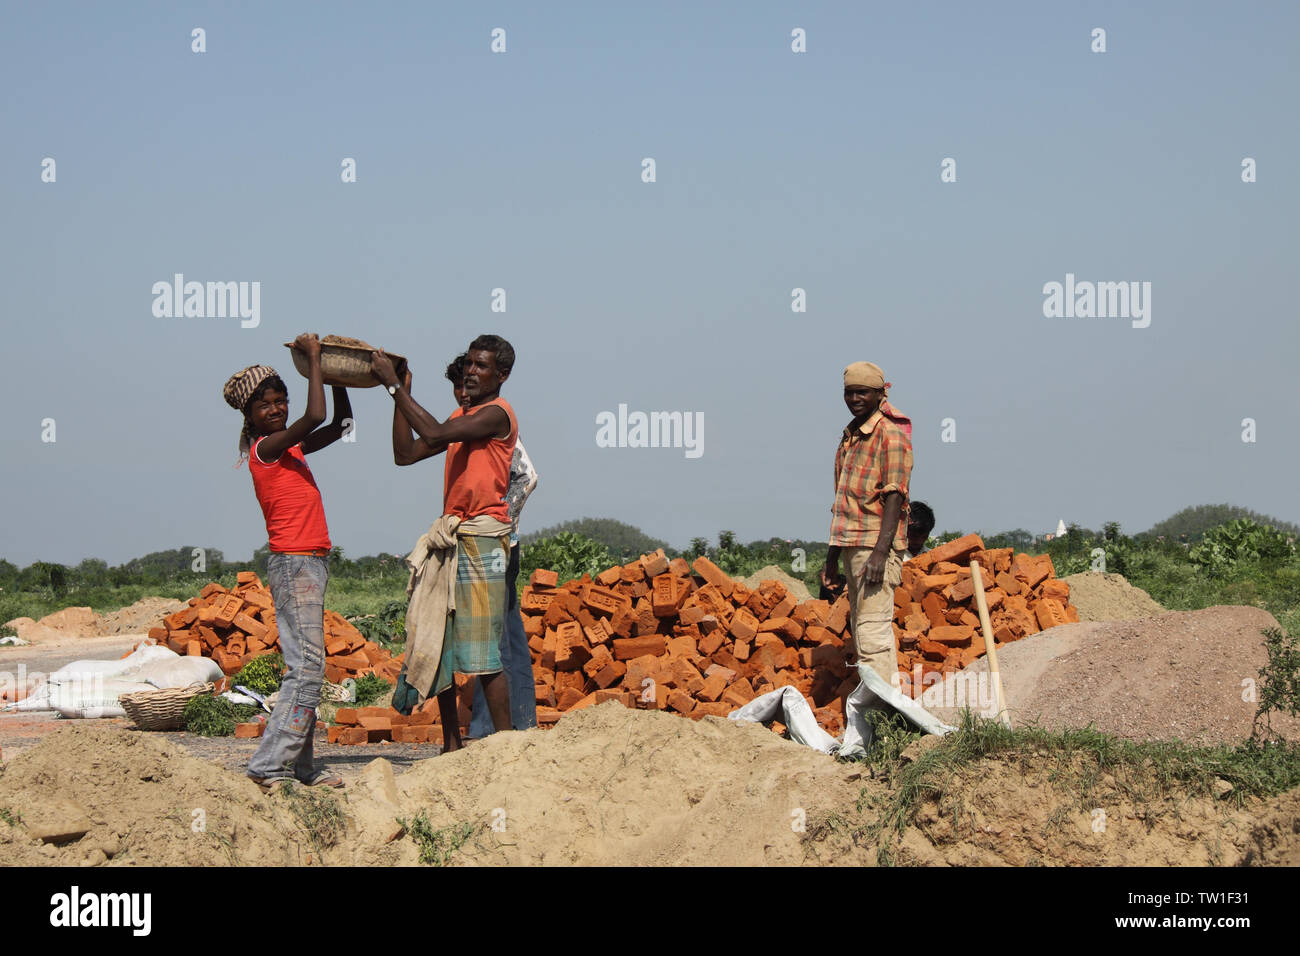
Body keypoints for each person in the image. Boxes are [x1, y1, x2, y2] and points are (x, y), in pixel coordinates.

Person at [372, 335, 517, 752]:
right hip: (454, 538)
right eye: (469, 363)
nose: (471, 371)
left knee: (483, 654)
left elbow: (432, 430)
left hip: (482, 544)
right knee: (445, 646)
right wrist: (403, 393)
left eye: (481, 366)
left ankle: (508, 751)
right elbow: (405, 454)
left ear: (502, 375)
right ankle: (451, 745)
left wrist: (394, 387)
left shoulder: (496, 415)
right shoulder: (461, 417)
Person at [223, 333, 352, 790]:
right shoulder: (268, 449)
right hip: (295, 563)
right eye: (266, 405)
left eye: (281, 401)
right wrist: (316, 358)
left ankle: (301, 766)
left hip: (310, 561)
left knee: (305, 666)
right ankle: (268, 766)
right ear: (249, 415)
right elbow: (314, 415)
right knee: (308, 668)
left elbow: (339, 424)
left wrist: (337, 374)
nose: (276, 410)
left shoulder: (291, 447)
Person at [439, 353, 540, 737]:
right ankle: (517, 722)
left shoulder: (494, 423)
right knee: (505, 635)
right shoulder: (465, 424)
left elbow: (527, 478)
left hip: (496, 541)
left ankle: (490, 729)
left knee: (493, 642)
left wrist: (502, 525)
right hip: (489, 537)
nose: (462, 396)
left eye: (467, 387)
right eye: (457, 389)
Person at [819, 361, 913, 686]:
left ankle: (888, 725)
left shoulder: (891, 435)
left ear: (879, 394)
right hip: (851, 547)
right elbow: (842, 505)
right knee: (861, 636)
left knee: (873, 636)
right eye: (849, 392)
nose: (855, 398)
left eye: (863, 392)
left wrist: (879, 553)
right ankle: (874, 724)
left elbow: (895, 497)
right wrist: (831, 561)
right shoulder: (851, 437)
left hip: (874, 549)